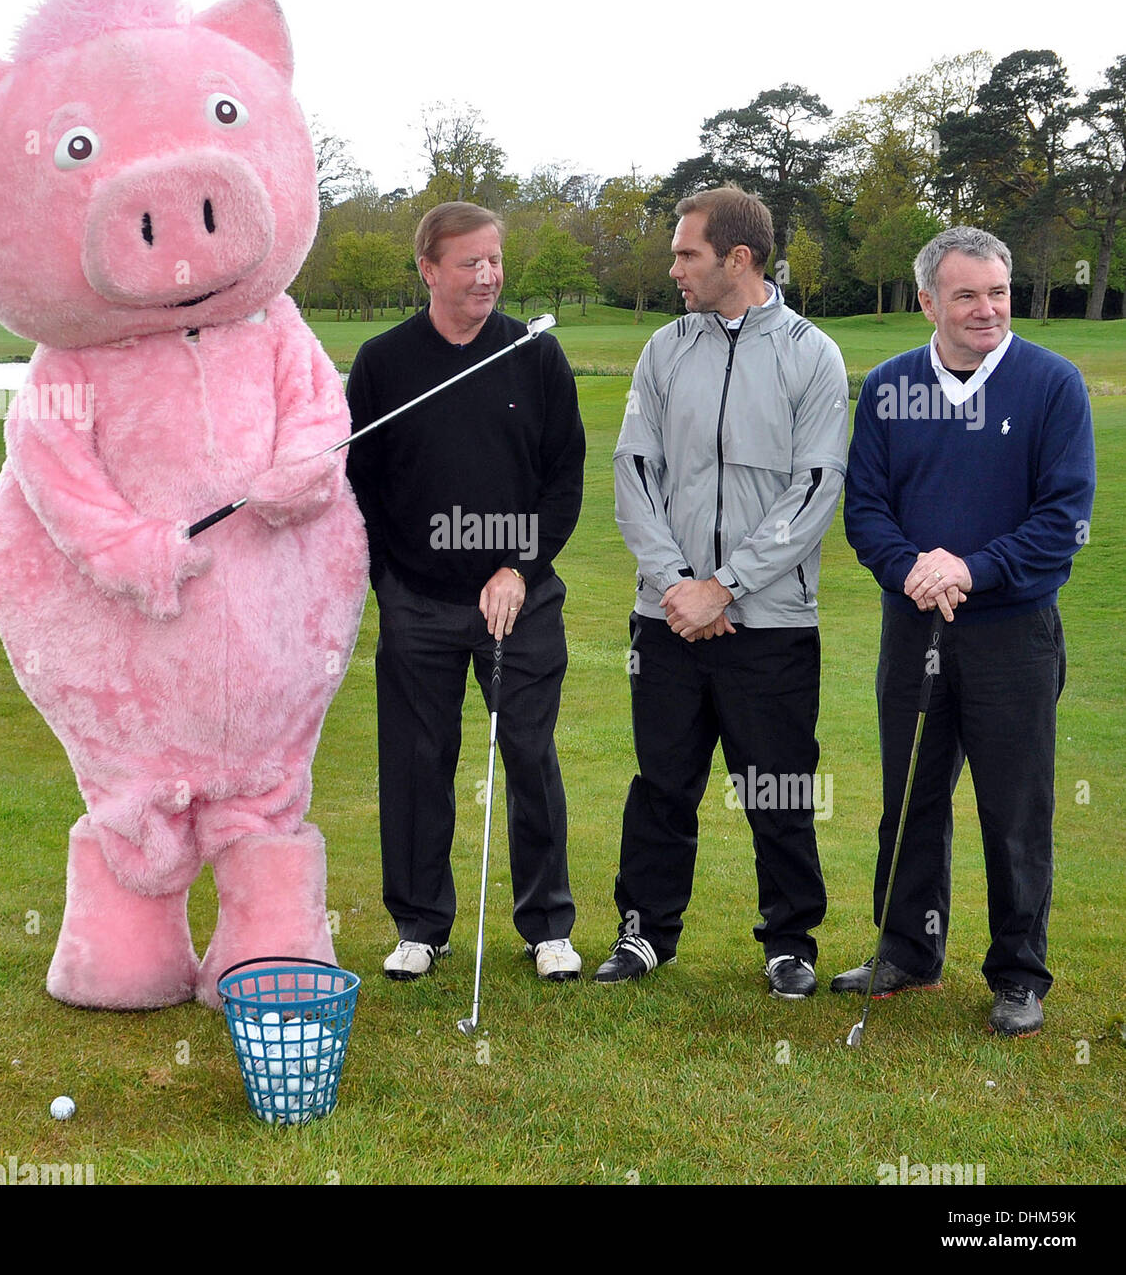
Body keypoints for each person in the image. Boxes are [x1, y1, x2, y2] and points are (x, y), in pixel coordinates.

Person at [832, 226, 1095, 1037]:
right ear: (927, 303)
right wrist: (912, 567)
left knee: (1015, 810)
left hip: (1011, 633)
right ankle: (907, 950)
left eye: (998, 292)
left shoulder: (1051, 384)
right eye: (966, 295)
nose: (986, 310)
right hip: (912, 626)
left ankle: (1018, 975)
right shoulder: (886, 387)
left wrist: (969, 569)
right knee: (910, 799)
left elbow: (1062, 519)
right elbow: (864, 508)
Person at [597, 185, 849, 998]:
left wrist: (725, 588)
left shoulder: (811, 353)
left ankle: (789, 942)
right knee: (662, 782)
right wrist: (678, 587)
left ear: (736, 260)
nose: (673, 267)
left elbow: (814, 491)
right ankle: (645, 933)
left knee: (776, 787)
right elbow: (634, 470)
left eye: (686, 254)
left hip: (769, 622)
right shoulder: (664, 349)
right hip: (665, 617)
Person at [344, 201, 586, 982]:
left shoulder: (533, 354)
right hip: (417, 600)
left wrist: (520, 565)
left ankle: (547, 925)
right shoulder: (384, 362)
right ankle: (420, 924)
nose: (486, 276)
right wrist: (391, 579)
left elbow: (562, 477)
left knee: (527, 754)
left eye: (493, 261)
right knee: (416, 762)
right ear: (427, 271)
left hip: (520, 593)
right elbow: (363, 484)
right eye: (467, 263)